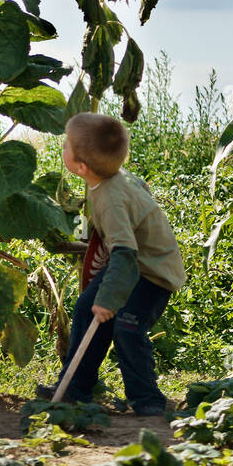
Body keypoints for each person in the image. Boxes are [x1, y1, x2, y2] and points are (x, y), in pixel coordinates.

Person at [38, 113, 186, 414]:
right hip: (133, 264)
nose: (63, 145)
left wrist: (108, 299)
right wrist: (86, 238)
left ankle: (148, 401)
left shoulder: (110, 198)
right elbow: (136, 197)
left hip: (152, 272)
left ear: (82, 166)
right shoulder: (109, 179)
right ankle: (75, 387)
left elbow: (125, 254)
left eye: (67, 143)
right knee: (84, 308)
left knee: (126, 326)